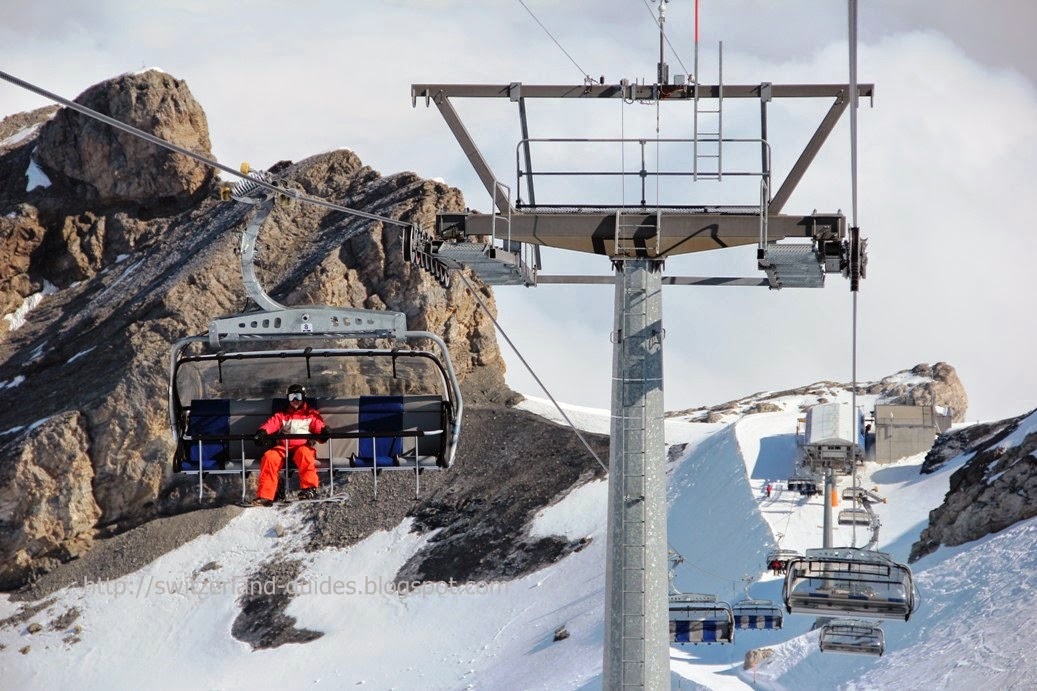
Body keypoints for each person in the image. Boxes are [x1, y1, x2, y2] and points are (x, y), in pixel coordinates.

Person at [251, 384, 329, 506]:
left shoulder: (310, 414)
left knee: (305, 455)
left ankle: (309, 488)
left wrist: (323, 431)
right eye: (292, 397)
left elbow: (317, 425)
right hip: (283, 447)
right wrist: (263, 432)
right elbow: (272, 424)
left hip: (302, 447)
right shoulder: (283, 415)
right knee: (269, 457)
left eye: (298, 396)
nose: (295, 400)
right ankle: (266, 495)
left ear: (303, 397)